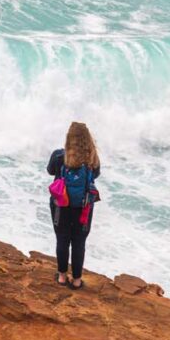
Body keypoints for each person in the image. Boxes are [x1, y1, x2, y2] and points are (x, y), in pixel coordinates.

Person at [47, 121, 102, 290]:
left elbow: (50, 170)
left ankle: (62, 277)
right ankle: (77, 280)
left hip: (61, 206)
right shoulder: (93, 160)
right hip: (83, 208)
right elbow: (96, 175)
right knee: (79, 242)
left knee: (62, 239)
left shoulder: (58, 156)